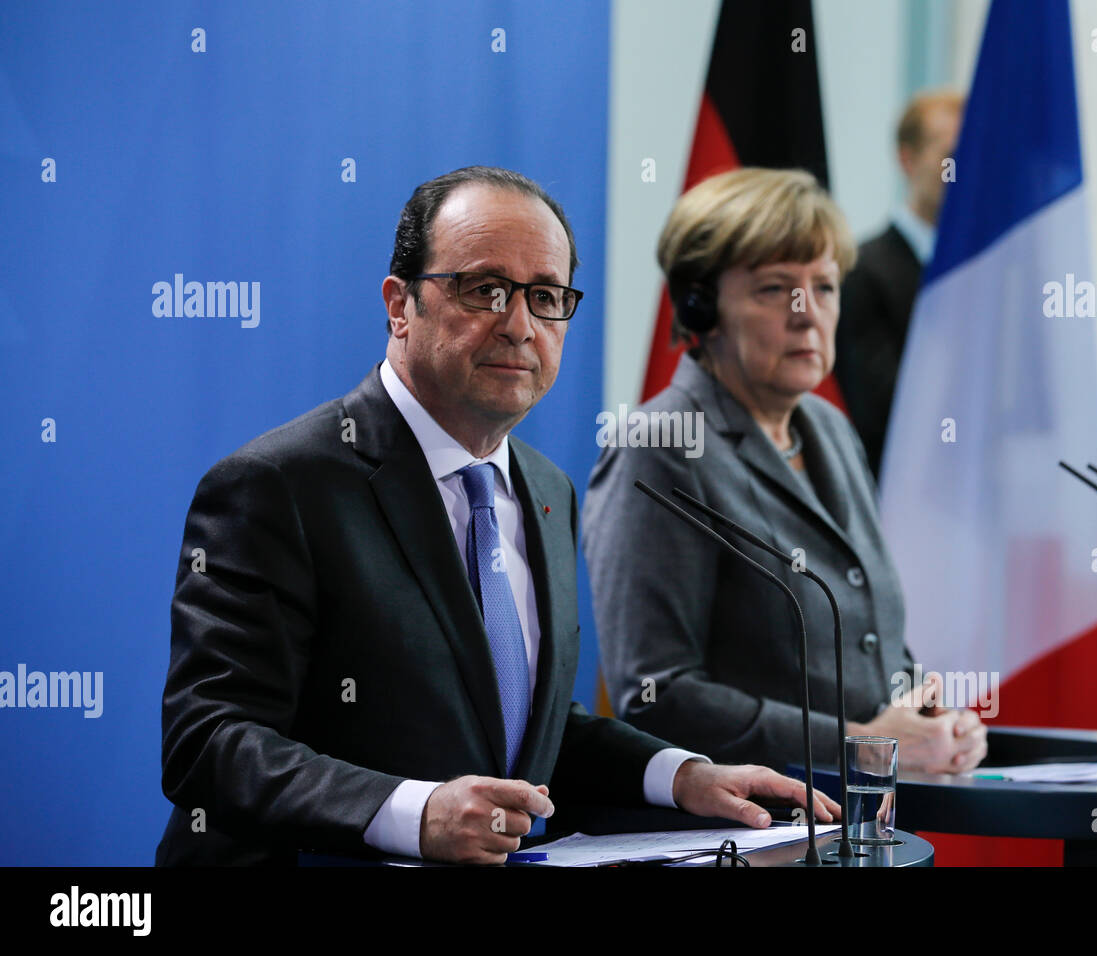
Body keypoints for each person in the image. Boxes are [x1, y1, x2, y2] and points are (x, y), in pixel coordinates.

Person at [156, 166, 837, 866]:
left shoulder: (546, 489)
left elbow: (527, 733)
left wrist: (684, 775)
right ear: (400, 306)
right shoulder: (279, 485)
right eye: (484, 290)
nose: (518, 325)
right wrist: (414, 813)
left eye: (545, 297)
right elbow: (209, 738)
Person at [583, 167, 987, 777]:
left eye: (824, 288)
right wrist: (858, 743)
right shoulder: (658, 445)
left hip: (855, 826)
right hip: (738, 836)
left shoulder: (828, 428)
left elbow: (864, 642)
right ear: (701, 306)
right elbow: (657, 694)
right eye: (775, 289)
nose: (808, 315)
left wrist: (926, 713)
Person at [836, 90, 963, 478]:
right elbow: (882, 413)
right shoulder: (862, 271)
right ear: (908, 160)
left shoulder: (998, 276)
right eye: (950, 158)